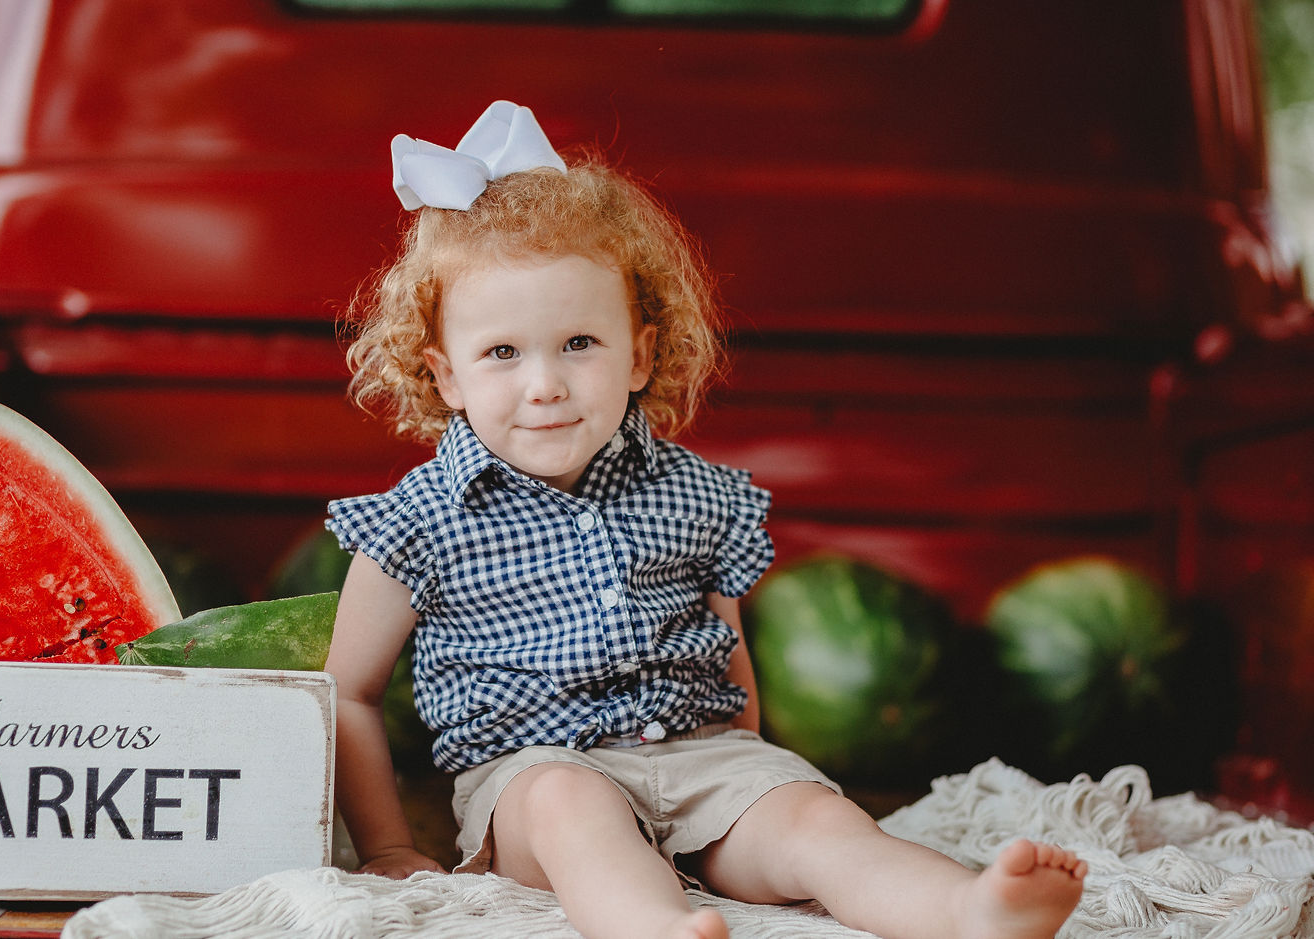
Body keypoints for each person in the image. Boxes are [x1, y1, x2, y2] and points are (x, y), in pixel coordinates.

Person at [323, 101, 1087, 939]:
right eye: (503, 353)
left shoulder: (697, 492)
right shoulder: (420, 519)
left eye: (579, 342)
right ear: (447, 376)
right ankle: (654, 927)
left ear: (641, 353)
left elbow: (728, 648)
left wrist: (758, 775)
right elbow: (351, 693)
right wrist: (388, 845)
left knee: (817, 821)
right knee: (571, 808)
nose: (544, 383)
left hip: (700, 755)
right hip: (532, 777)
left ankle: (965, 909)